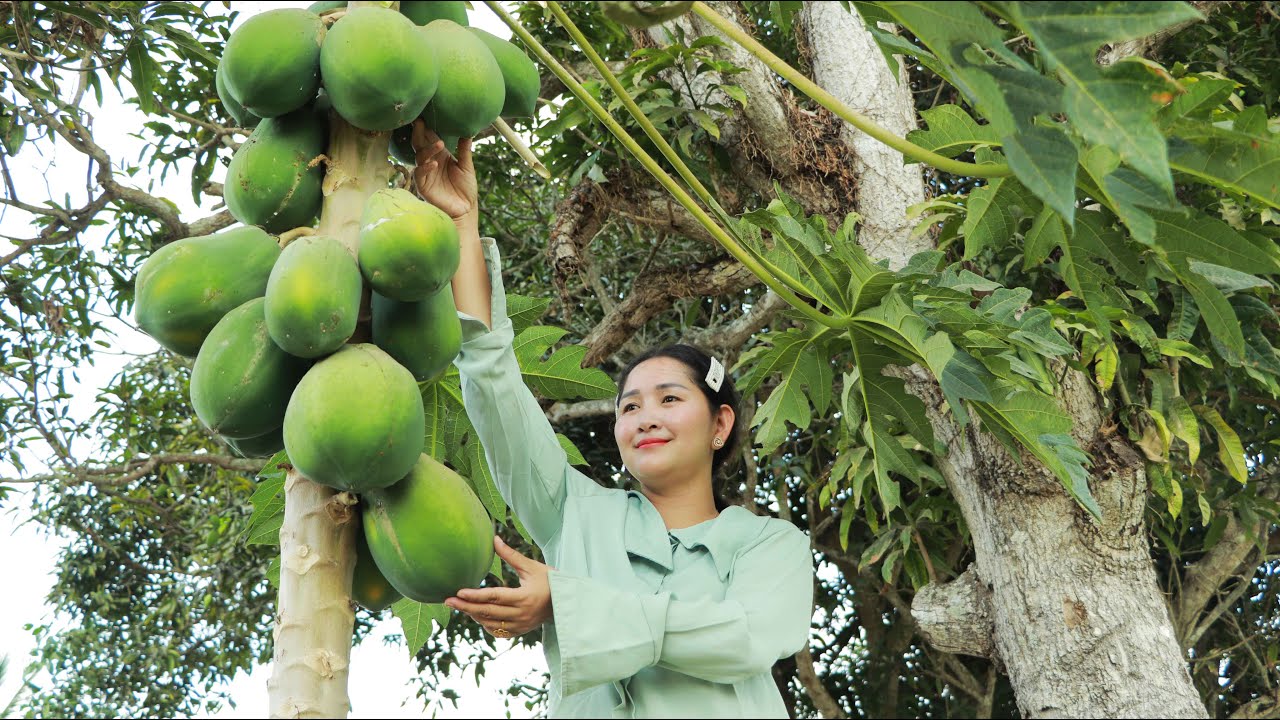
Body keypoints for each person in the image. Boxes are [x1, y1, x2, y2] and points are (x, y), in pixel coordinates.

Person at [411, 121, 814, 718]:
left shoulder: (769, 543)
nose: (645, 416)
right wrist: (462, 226)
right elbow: (493, 376)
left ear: (721, 425)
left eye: (670, 399)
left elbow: (747, 638)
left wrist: (566, 601)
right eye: (630, 406)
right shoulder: (574, 510)